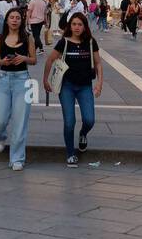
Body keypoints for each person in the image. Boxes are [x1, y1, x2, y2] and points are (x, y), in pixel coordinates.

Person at [42, 12, 103, 167]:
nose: (76, 27)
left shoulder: (90, 42)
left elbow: (98, 63)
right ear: (70, 26)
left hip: (85, 86)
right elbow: (50, 60)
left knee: (89, 120)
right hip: (67, 86)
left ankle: (83, 133)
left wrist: (99, 83)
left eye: (80, 24)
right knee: (69, 121)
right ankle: (70, 153)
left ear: (84, 26)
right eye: (74, 24)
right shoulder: (64, 42)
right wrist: (45, 79)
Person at [0, 6, 36, 171]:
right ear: (7, 20)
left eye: (18, 18)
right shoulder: (0, 38)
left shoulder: (28, 37)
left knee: (20, 121)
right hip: (3, 79)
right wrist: (3, 62)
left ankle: (17, 158)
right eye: (12, 17)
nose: (15, 20)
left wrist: (24, 58)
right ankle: (0, 134)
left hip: (23, 80)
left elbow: (34, 60)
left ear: (21, 20)